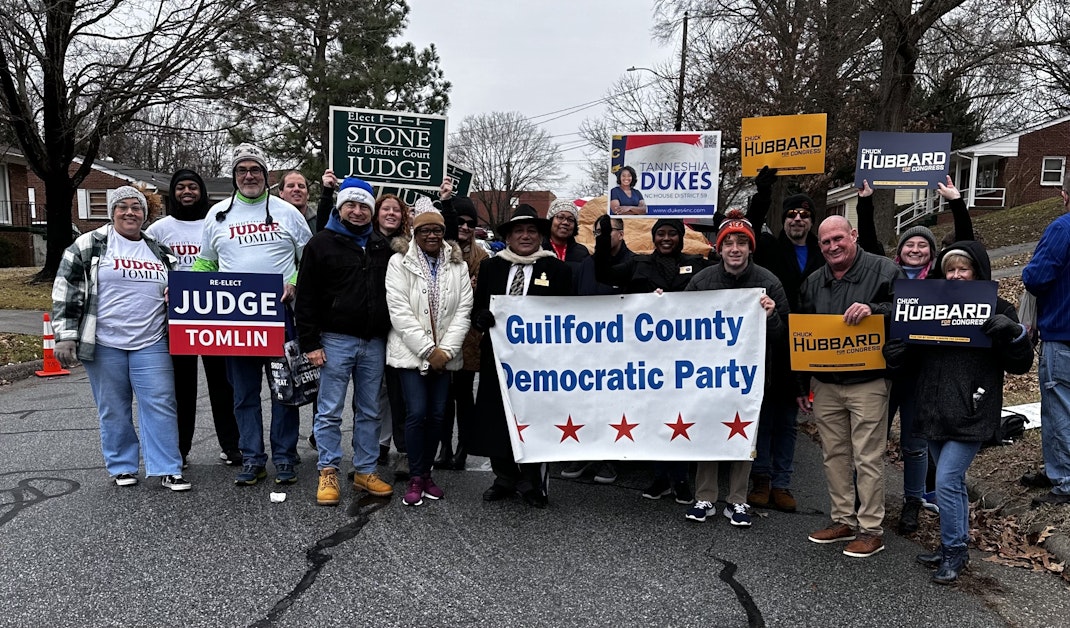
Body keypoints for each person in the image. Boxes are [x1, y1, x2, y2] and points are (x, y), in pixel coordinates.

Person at [889, 242, 1032, 583]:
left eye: (962, 269)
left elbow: (1021, 365)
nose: (955, 275)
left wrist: (1015, 335)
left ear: (977, 272)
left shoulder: (999, 308)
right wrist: (895, 351)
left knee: (948, 479)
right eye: (949, 269)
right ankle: (953, 544)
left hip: (972, 409)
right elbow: (909, 358)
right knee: (950, 481)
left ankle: (955, 552)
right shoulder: (928, 306)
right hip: (933, 408)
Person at [855, 175, 974, 533]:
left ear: (932, 253)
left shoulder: (940, 278)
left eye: (923, 245)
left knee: (914, 443)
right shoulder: (887, 273)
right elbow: (872, 246)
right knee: (872, 438)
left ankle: (913, 500)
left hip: (923, 372)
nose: (917, 249)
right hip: (884, 365)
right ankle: (864, 497)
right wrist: (864, 202)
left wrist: (955, 202)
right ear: (901, 250)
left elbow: (967, 245)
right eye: (911, 245)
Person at [52, 186, 190, 491]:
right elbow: (66, 289)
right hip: (104, 342)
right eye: (122, 207)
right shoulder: (89, 245)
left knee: (161, 403)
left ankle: (168, 468)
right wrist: (64, 335)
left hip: (152, 341)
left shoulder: (160, 251)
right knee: (113, 407)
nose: (130, 212)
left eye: (137, 207)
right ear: (112, 212)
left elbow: (179, 292)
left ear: (145, 213)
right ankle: (122, 466)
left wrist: (175, 296)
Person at [193, 143, 313, 486]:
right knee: (243, 394)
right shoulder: (217, 215)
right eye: (242, 170)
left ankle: (285, 457)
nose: (249, 176)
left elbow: (309, 260)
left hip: (280, 319)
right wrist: (184, 287)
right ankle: (252, 458)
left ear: (266, 175)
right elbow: (206, 262)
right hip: (237, 322)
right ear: (234, 176)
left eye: (255, 170)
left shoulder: (287, 212)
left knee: (284, 391)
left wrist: (292, 282)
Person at [798, 215, 902, 558]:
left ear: (853, 235)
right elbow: (804, 333)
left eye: (838, 238)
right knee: (834, 454)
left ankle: (871, 529)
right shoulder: (813, 281)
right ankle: (842, 519)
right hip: (826, 382)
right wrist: (804, 383)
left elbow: (907, 311)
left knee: (868, 456)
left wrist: (873, 309)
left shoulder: (884, 270)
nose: (833, 246)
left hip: (868, 381)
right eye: (826, 242)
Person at [595, 215, 712, 503]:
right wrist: (603, 238)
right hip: (646, 357)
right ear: (653, 237)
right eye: (661, 234)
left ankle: (681, 479)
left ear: (680, 237)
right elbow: (604, 274)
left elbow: (730, 275)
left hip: (685, 358)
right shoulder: (638, 263)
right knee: (655, 416)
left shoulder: (696, 264)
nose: (666, 238)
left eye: (672, 233)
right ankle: (660, 477)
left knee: (681, 417)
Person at [683, 210, 789, 527]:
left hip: (748, 377)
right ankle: (705, 497)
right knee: (707, 431)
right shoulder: (701, 281)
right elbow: (678, 322)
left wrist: (770, 317)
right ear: (719, 247)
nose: (735, 249)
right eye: (729, 242)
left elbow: (783, 335)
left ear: (750, 248)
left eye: (742, 243)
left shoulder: (769, 282)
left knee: (743, 435)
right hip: (708, 374)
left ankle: (737, 501)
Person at [295, 176, 394, 505]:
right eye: (350, 204)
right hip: (335, 340)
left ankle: (365, 471)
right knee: (329, 411)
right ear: (340, 208)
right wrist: (310, 343)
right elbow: (306, 297)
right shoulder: (320, 243)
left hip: (374, 341)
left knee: (369, 411)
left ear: (371, 210)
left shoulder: (381, 245)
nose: (357, 211)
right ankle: (328, 471)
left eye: (363, 206)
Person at [470, 205, 574, 508]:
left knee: (534, 418)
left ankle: (531, 481)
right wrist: (481, 318)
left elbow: (570, 316)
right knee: (496, 417)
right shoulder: (492, 267)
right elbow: (478, 307)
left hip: (538, 363)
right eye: (519, 231)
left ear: (540, 236)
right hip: (498, 359)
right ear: (510, 236)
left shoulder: (558, 270)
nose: (525, 236)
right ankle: (503, 477)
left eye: (531, 231)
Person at [146, 169, 241, 467]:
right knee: (181, 387)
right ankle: (180, 450)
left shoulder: (216, 221)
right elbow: (150, 268)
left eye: (193, 187)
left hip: (215, 313)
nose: (187, 192)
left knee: (223, 384)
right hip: (177, 317)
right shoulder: (160, 229)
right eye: (181, 188)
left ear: (202, 191)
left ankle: (231, 445)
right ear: (173, 192)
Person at [385, 210, 473, 505]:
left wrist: (445, 351)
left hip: (445, 355)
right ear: (415, 234)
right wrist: (427, 350)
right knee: (417, 413)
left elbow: (463, 310)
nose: (432, 235)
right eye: (425, 231)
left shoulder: (457, 265)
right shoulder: (399, 262)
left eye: (437, 230)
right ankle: (414, 475)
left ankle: (427, 475)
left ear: (443, 232)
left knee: (438, 415)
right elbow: (399, 311)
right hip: (411, 353)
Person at [746, 167, 821, 512]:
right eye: (791, 214)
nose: (797, 220)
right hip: (772, 339)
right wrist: (763, 191)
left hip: (808, 345)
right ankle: (760, 478)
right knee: (765, 412)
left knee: (790, 418)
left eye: (804, 215)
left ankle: (783, 482)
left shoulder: (823, 253)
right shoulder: (770, 248)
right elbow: (750, 225)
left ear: (811, 221)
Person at [560, 216, 635, 484]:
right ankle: (584, 452)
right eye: (597, 233)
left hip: (621, 351)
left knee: (615, 405)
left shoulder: (633, 263)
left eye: (607, 232)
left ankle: (610, 457)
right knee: (585, 401)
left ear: (622, 234)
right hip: (587, 349)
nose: (602, 237)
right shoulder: (585, 266)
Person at [1023, 177, 1070, 507]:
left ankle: (1065, 480)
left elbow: (1036, 278)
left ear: (1065, 195)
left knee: (1060, 410)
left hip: (1063, 335)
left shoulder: (1062, 229)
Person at [436, 196, 488, 471]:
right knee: (444, 395)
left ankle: (463, 449)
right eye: (460, 222)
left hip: (468, 336)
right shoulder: (440, 250)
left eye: (470, 223)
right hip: (442, 333)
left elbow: (482, 296)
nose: (465, 227)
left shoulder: (482, 256)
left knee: (464, 394)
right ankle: (444, 447)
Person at [543, 200, 590, 287]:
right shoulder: (539, 250)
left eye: (570, 220)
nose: (565, 222)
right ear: (551, 220)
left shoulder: (582, 253)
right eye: (560, 217)